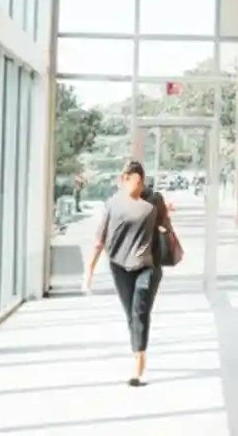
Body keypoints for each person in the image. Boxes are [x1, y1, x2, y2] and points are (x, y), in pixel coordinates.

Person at [83, 160, 173, 386]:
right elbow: (99, 241)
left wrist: (166, 219)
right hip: (120, 266)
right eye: (128, 180)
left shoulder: (154, 200)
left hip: (148, 266)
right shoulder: (113, 204)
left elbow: (165, 225)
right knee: (130, 314)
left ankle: (138, 364)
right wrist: (89, 273)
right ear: (123, 179)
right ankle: (137, 349)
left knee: (139, 309)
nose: (135, 185)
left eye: (138, 181)